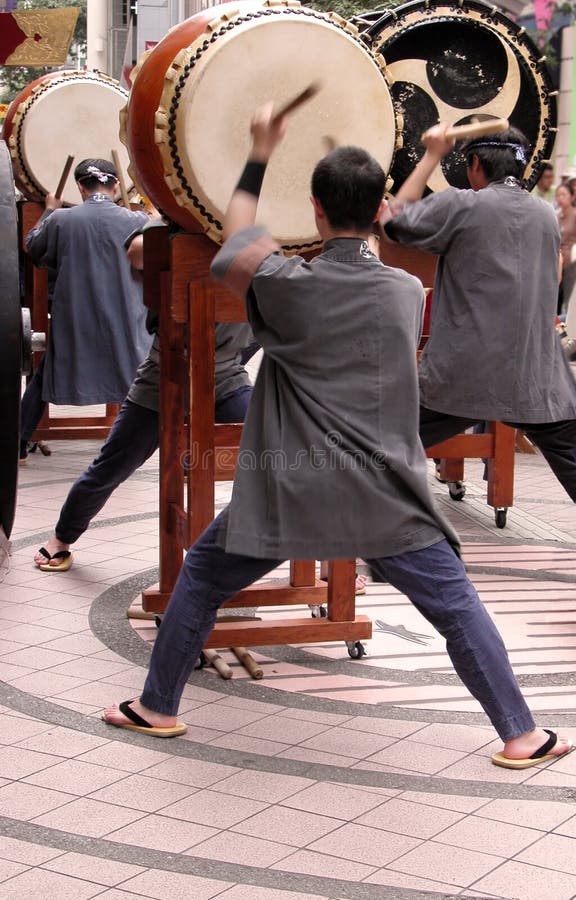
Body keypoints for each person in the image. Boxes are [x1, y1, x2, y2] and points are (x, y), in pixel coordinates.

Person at [102, 105, 573, 769]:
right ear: (374, 206)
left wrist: (263, 149)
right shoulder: (405, 293)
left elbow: (238, 237)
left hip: (290, 489)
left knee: (202, 577)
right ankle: (521, 735)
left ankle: (158, 707)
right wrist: (411, 172)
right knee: (457, 606)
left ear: (316, 212)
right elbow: (374, 249)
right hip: (388, 495)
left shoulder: (287, 287)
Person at [33, 220, 255, 572]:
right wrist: (204, 239)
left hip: (225, 372)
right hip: (166, 371)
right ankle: (62, 536)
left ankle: (318, 557)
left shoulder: (271, 232)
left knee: (283, 451)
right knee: (113, 464)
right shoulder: (185, 217)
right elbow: (136, 252)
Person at [382, 125, 576, 504]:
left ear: (474, 164)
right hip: (537, 378)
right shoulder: (544, 215)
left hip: (463, 378)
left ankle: (351, 535)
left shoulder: (462, 205)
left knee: (374, 446)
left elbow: (393, 223)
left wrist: (433, 154)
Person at [21, 158, 152, 461]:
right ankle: (138, 443)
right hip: (126, 317)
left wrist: (50, 209)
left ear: (80, 187)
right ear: (116, 185)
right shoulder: (136, 221)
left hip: (77, 317)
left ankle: (20, 438)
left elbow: (34, 247)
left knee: (49, 372)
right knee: (142, 377)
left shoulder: (61, 220)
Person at [556, 181, 576, 315]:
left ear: (572, 196)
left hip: (572, 263)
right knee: (556, 299)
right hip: (557, 261)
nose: (560, 198)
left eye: (563, 195)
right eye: (558, 195)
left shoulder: (575, 215)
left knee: (568, 301)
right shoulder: (556, 215)